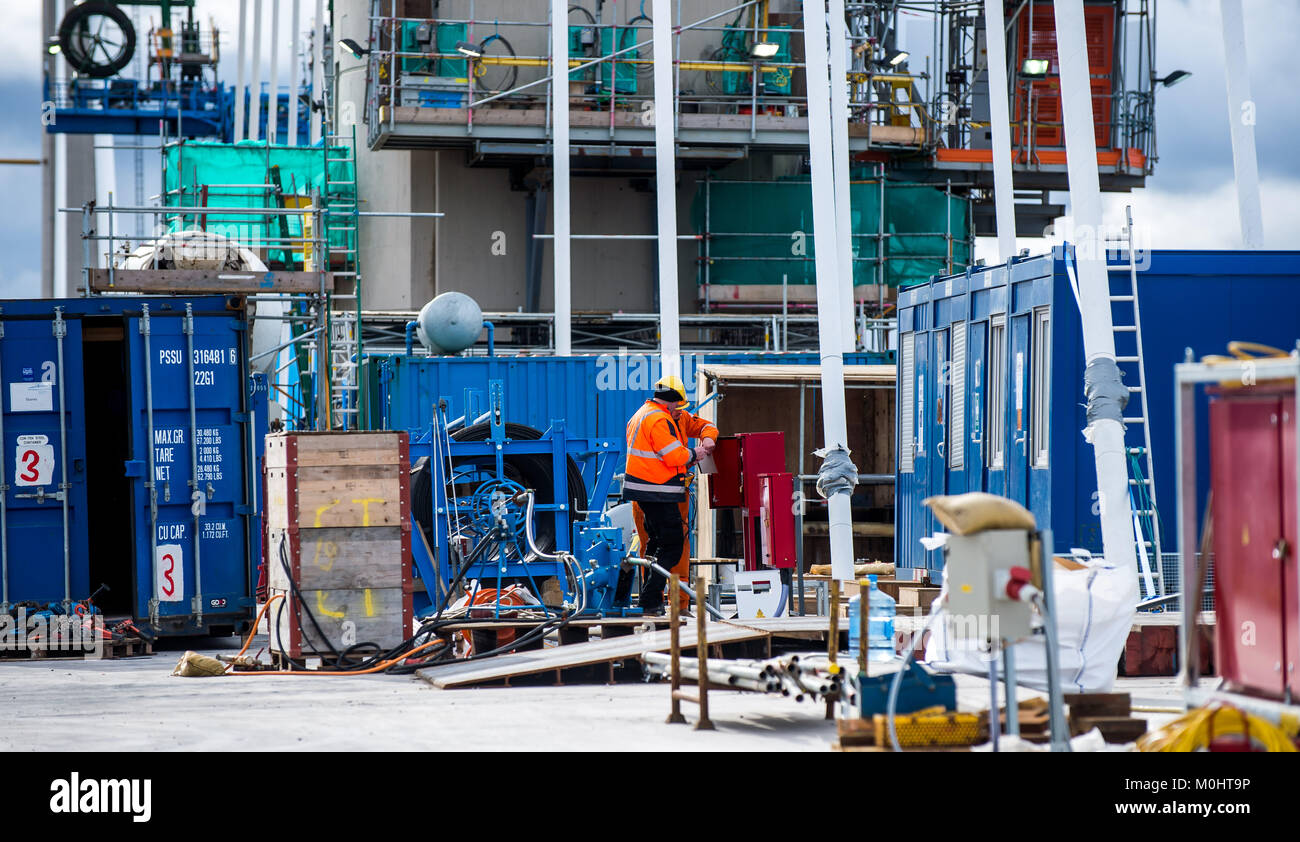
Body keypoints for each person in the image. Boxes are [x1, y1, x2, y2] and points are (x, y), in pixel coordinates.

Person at [617, 374, 719, 613]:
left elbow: (706, 425)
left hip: (643, 493)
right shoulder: (659, 420)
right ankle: (651, 599)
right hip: (659, 492)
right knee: (673, 545)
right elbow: (675, 456)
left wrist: (708, 438)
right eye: (678, 406)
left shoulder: (643, 414)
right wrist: (696, 453)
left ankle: (650, 600)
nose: (679, 411)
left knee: (653, 545)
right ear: (670, 402)